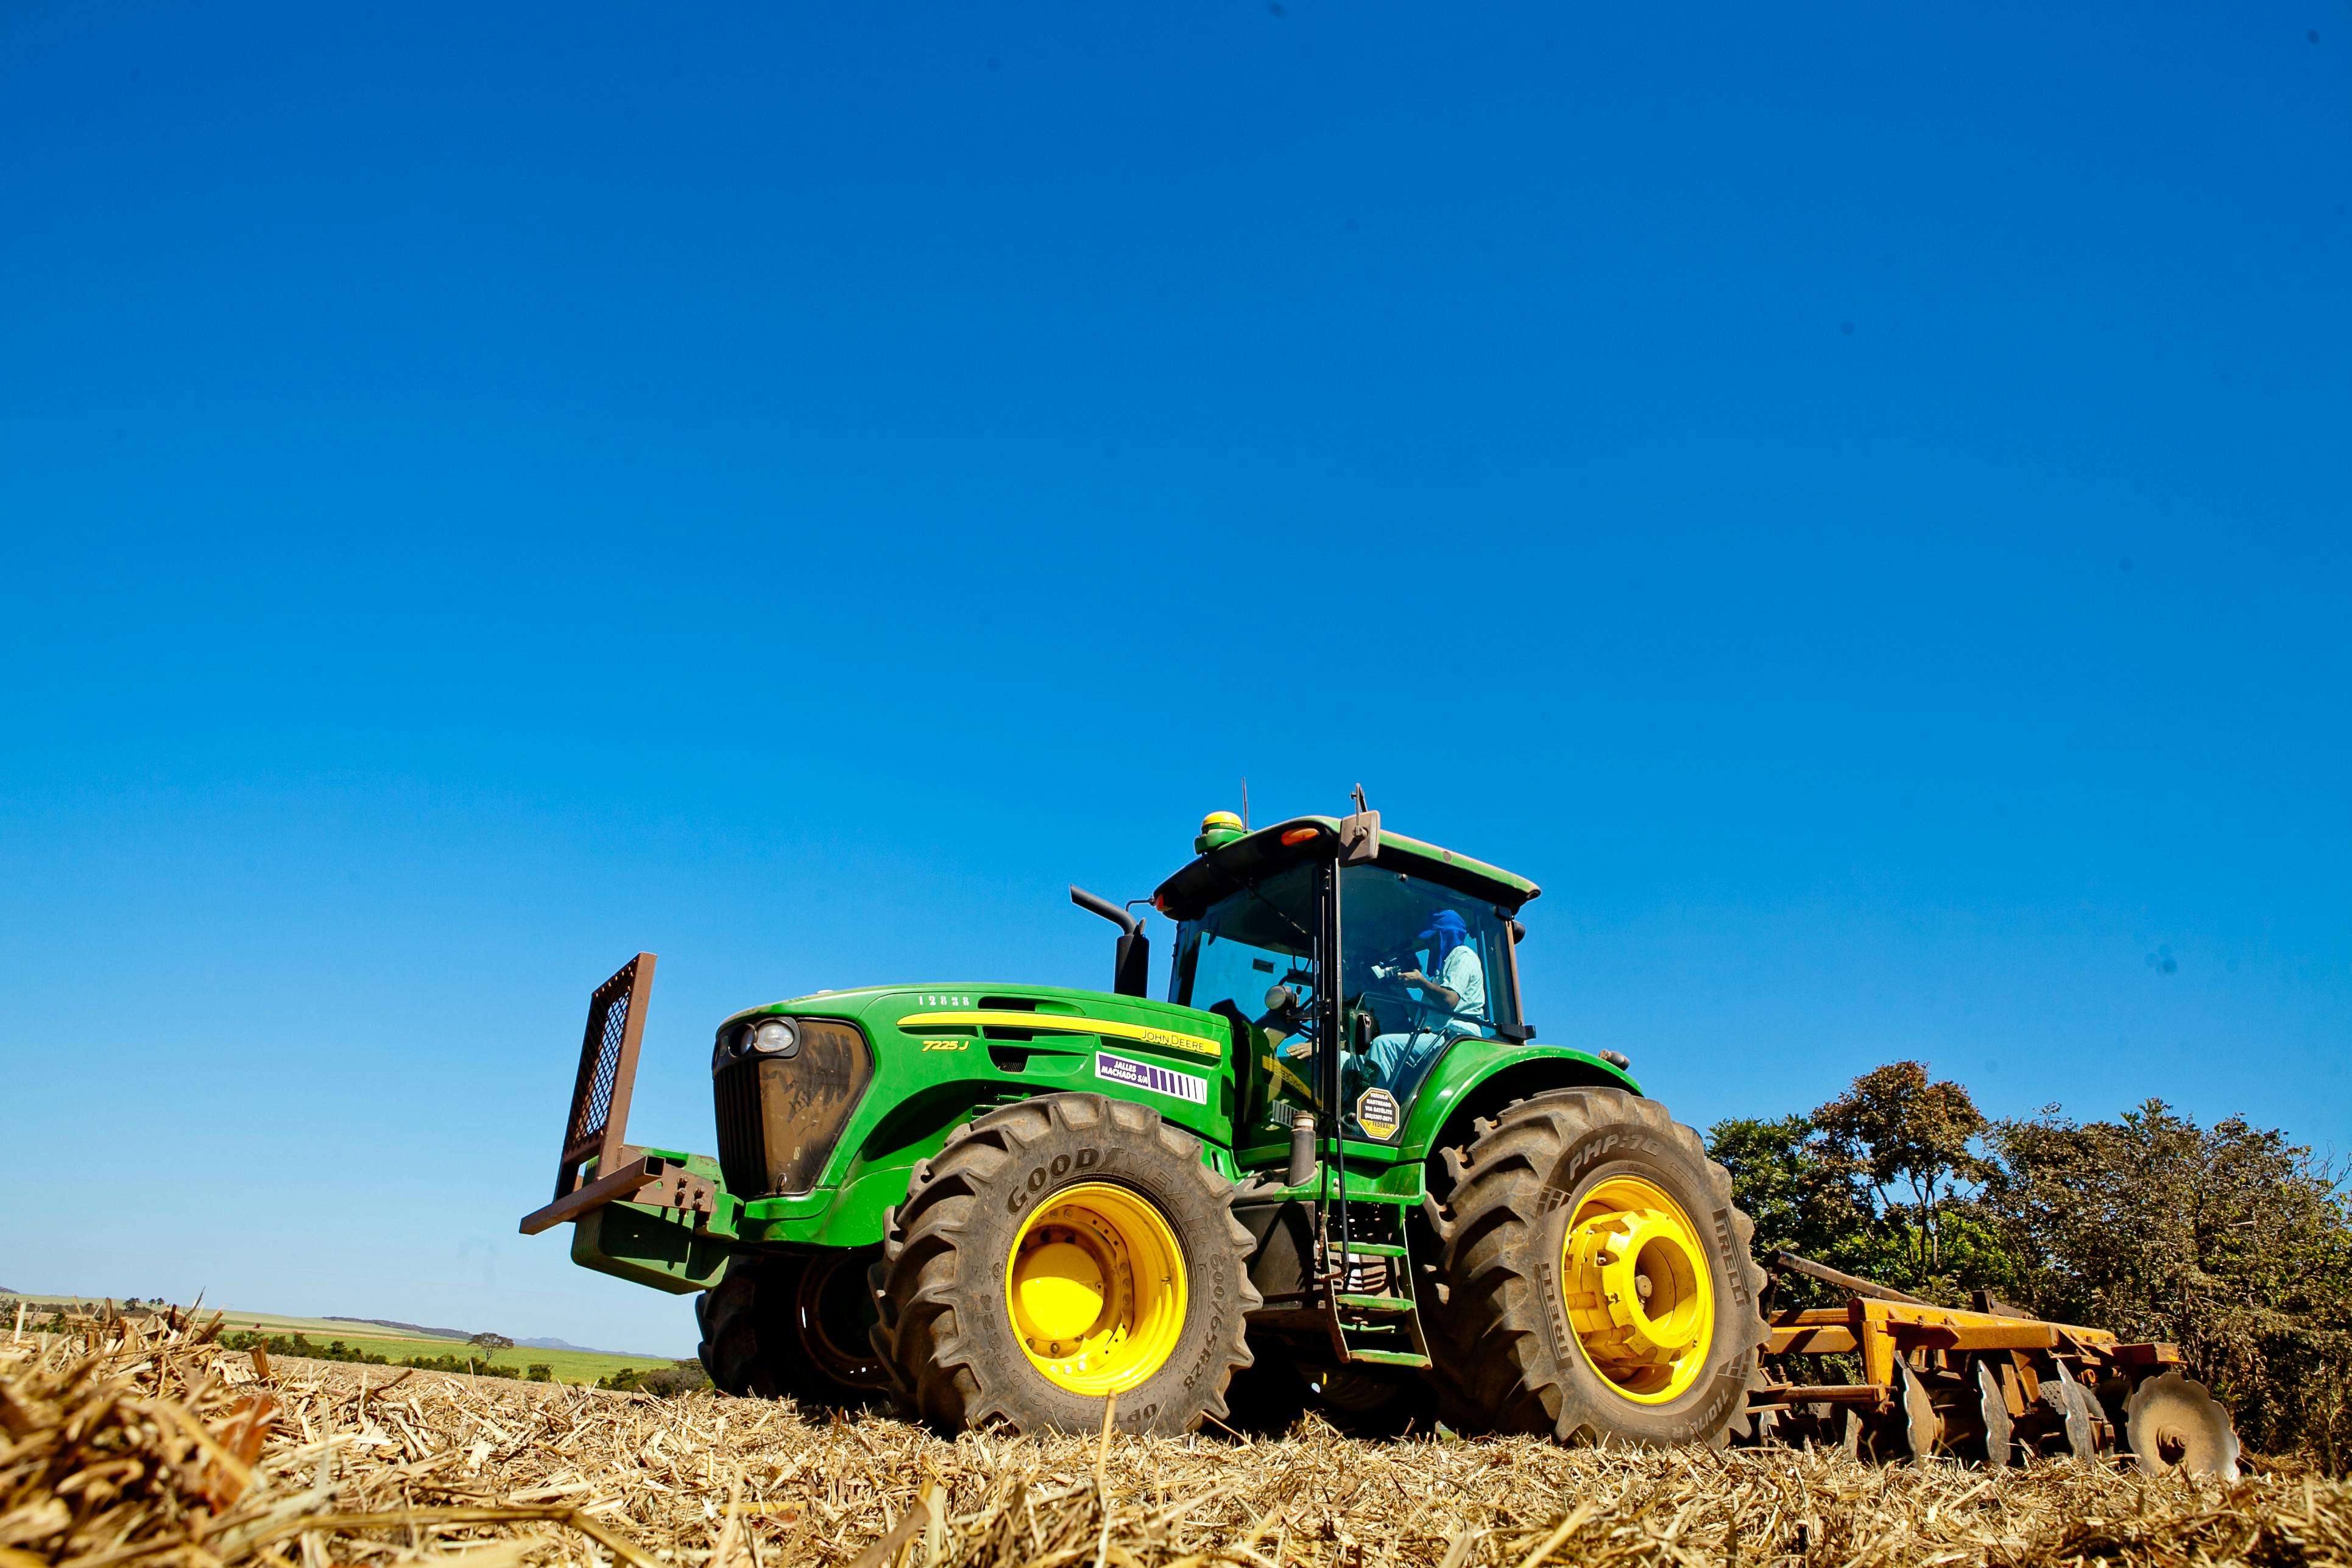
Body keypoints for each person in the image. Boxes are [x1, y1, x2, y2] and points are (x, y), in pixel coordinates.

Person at [1365, 909, 1486, 1096]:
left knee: (1384, 1045)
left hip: (1455, 1038)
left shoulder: (1463, 955)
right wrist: (1399, 988)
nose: (1429, 945)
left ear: (1446, 935)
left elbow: (1450, 1001)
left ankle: (1373, 1112)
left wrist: (1421, 982)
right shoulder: (1441, 974)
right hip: (1437, 1036)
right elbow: (1421, 1018)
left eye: (1432, 938)